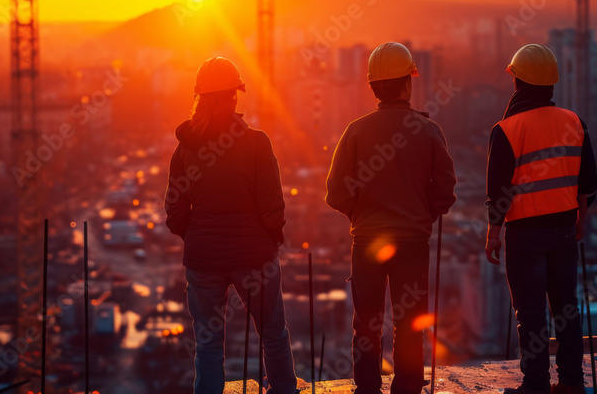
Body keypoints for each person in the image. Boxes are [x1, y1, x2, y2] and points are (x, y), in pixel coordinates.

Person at [325, 42, 457, 394]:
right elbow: (446, 190)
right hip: (413, 242)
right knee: (410, 322)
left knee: (366, 323)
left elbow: (336, 193)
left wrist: (362, 214)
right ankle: (408, 386)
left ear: (373, 87)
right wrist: (421, 216)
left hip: (367, 241)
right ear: (407, 83)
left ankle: (367, 387)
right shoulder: (428, 131)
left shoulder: (355, 131)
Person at [164, 56, 300, 394]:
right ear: (233, 96)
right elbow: (273, 206)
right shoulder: (256, 143)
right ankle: (284, 389)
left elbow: (174, 211)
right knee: (272, 332)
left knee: (209, 342)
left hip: (204, 258)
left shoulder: (185, 150)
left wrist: (197, 235)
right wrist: (270, 242)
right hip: (254, 256)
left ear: (199, 97)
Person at [484, 44, 597, 394]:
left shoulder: (507, 129)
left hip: (525, 235)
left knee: (531, 314)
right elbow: (588, 180)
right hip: (564, 231)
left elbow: (499, 192)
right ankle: (572, 383)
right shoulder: (573, 121)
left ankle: (535, 385)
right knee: (566, 309)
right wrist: (581, 218)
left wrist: (492, 234)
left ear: (518, 82)